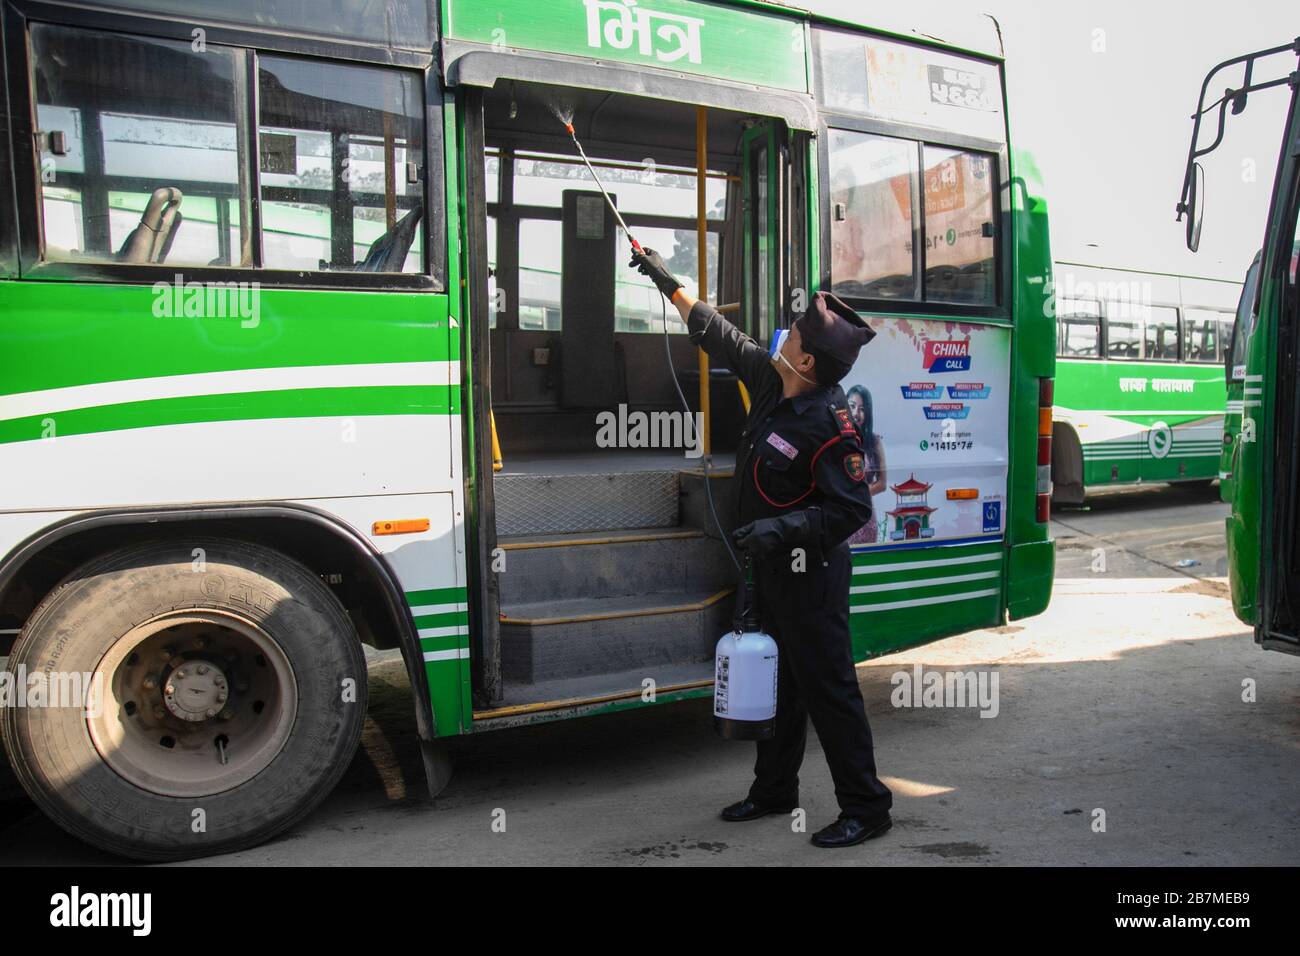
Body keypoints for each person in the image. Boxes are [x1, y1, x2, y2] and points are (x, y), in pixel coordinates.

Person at [631, 247, 894, 848]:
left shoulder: (831, 425)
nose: (782, 334)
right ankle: (776, 791)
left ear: (807, 358)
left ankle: (868, 806)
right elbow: (721, 336)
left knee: (829, 690)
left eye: (795, 332)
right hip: (770, 569)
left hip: (812, 574)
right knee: (781, 684)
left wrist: (782, 529)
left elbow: (851, 509)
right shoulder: (774, 379)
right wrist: (670, 285)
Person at [845, 385, 887, 547]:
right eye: (852, 406)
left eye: (862, 409)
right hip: (842, 515)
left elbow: (882, 484)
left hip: (865, 517)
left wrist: (855, 495)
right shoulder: (835, 439)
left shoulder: (874, 441)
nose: (856, 413)